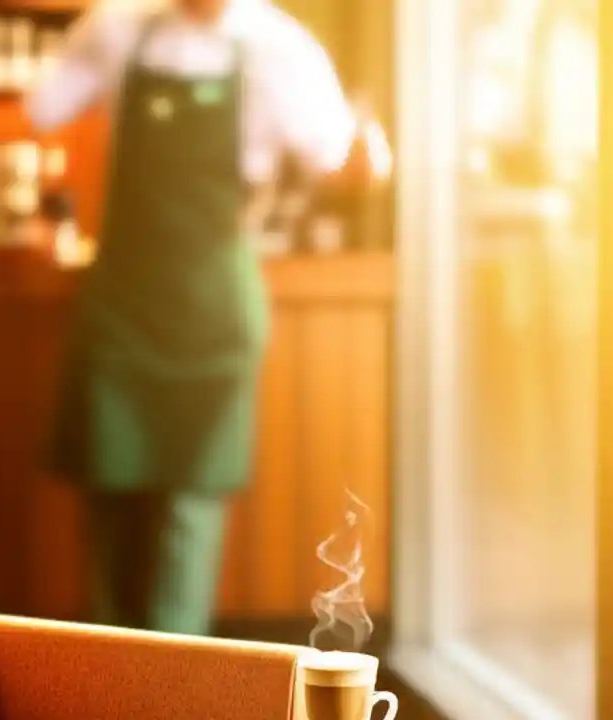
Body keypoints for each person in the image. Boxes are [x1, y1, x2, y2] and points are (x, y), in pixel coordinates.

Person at [25, 0, 391, 636]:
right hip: (122, 302)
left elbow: (339, 161)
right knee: (107, 491)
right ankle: (99, 670)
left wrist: (376, 152)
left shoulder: (281, 49)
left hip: (214, 306)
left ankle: (178, 674)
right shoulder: (115, 30)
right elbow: (42, 109)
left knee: (190, 505)